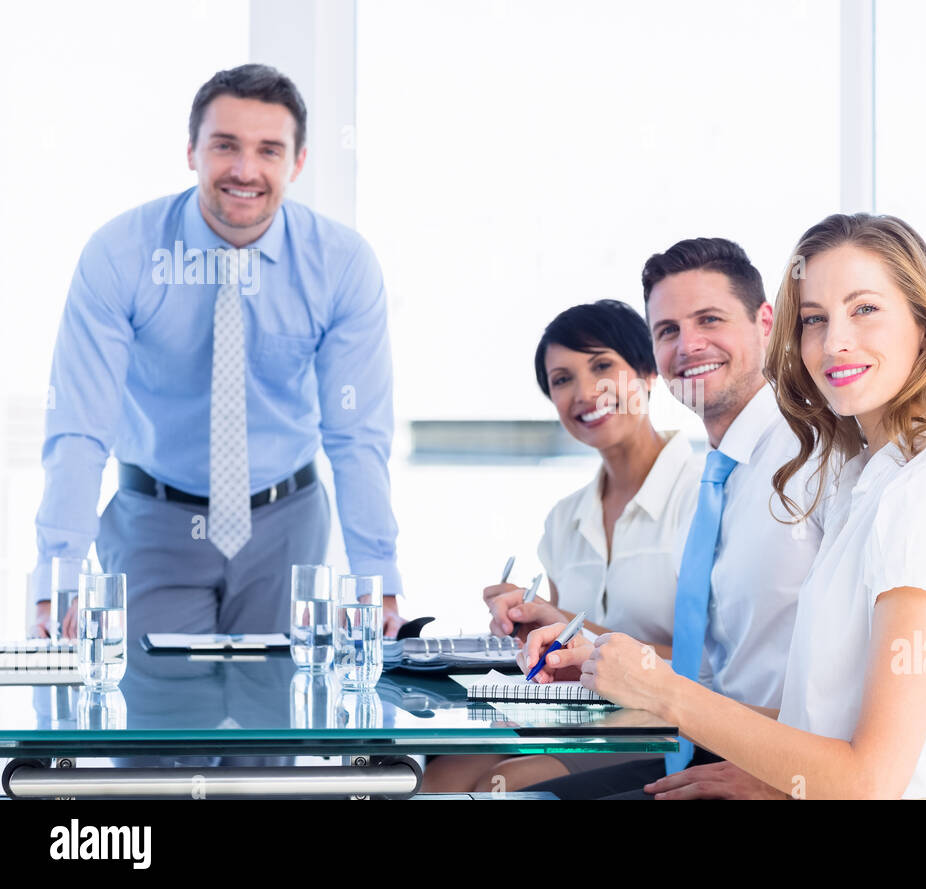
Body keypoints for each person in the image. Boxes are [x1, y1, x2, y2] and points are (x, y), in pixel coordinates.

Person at [562, 213, 926, 799]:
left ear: (925, 323)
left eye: (864, 309)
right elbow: (837, 735)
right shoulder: (872, 477)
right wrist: (776, 776)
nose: (835, 340)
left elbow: (870, 782)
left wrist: (663, 691)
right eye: (815, 319)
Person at [30, 64, 404, 647]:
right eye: (225, 146)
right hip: (153, 521)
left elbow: (357, 436)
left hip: (287, 528)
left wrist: (374, 577)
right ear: (191, 151)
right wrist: (59, 573)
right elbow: (80, 428)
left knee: (275, 731)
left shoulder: (341, 264)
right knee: (156, 731)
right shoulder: (120, 254)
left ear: (298, 162)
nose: (245, 170)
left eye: (269, 150)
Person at [519, 237, 827, 799]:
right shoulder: (726, 476)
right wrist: (588, 654)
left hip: (777, 759)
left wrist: (789, 778)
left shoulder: (813, 457)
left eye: (709, 319)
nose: (689, 345)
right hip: (709, 741)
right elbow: (712, 660)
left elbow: (862, 668)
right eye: (668, 331)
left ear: (766, 323)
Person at [421, 300, 701, 792]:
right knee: (437, 775)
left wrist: (563, 621)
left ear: (647, 373)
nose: (585, 392)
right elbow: (566, 653)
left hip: (673, 728)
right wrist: (536, 635)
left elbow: (710, 665)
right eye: (561, 379)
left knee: (503, 781)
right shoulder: (563, 519)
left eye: (601, 367)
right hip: (584, 720)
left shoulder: (700, 497)